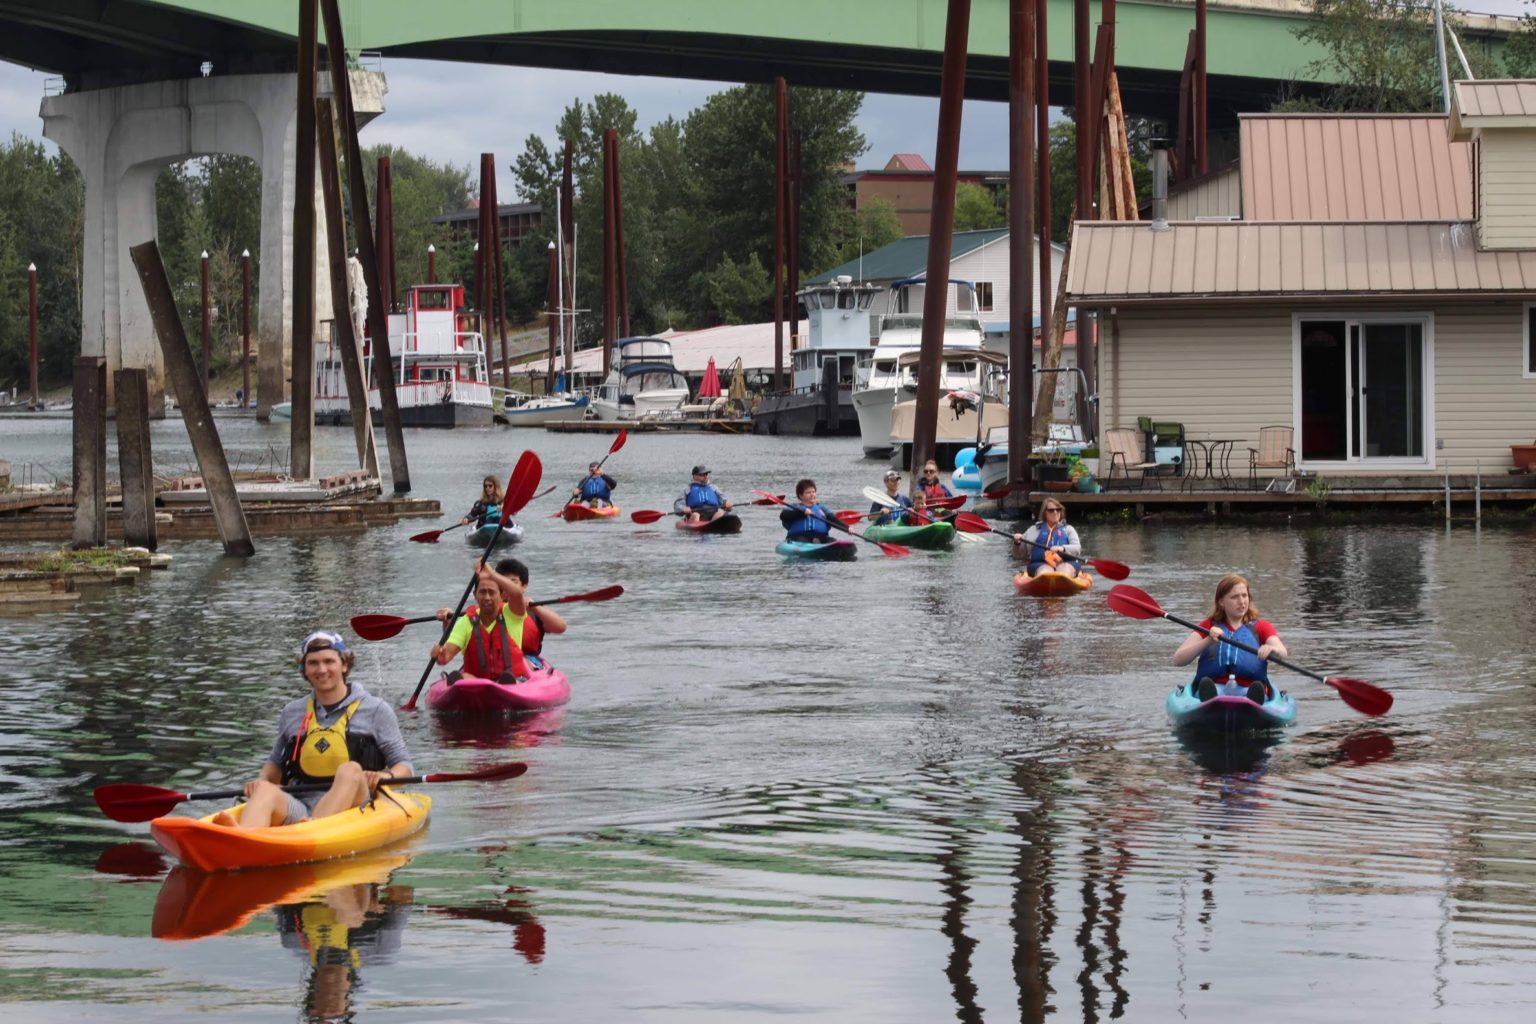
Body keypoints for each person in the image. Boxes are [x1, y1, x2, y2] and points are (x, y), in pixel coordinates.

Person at [214, 630, 412, 830]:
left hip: (356, 806)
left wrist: (385, 777)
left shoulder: (376, 709)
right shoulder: (292, 711)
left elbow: (404, 765)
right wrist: (261, 780)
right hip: (300, 804)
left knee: (350, 769)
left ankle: (312, 830)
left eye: (329, 661)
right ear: (305, 669)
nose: (322, 669)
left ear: (344, 665)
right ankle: (244, 837)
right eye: (313, 663)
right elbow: (275, 764)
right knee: (265, 789)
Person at [1172, 574, 1289, 704]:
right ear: (1221, 602)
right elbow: (1178, 659)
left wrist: (1272, 649)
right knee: (1211, 690)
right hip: (1215, 687)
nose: (1241, 601)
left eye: (1244, 596)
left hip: (1248, 688)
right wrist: (1208, 641)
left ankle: (1253, 702)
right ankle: (1211, 702)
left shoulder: (1261, 627)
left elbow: (1282, 652)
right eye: (1235, 597)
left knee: (1253, 691)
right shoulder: (1208, 626)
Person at [457, 557, 569, 666]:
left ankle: (513, 678)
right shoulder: (485, 610)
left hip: (526, 659)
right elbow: (459, 639)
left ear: (524, 586)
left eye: (512, 582)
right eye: (502, 582)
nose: (507, 587)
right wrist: (447, 620)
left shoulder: (532, 611)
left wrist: (535, 607)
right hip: (491, 659)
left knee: (521, 662)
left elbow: (560, 627)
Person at [431, 568, 534, 683]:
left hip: (514, 679)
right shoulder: (466, 621)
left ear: (501, 595)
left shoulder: (512, 614)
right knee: (463, 677)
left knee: (508, 679)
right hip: (477, 682)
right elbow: (447, 655)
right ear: (475, 595)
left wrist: (492, 573)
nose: (487, 597)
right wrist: (441, 656)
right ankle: (463, 684)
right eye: (482, 592)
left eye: (492, 592)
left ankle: (503, 684)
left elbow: (516, 594)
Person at [1012, 497, 1082, 577]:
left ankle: (1063, 581)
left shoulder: (1068, 529)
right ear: (1044, 513)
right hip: (1040, 564)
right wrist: (1017, 543)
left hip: (1067, 562)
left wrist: (1062, 548)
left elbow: (1077, 548)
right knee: (1045, 571)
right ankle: (1044, 581)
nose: (1055, 512)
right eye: (1051, 510)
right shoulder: (1033, 530)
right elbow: (1018, 555)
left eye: (1058, 509)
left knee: (1064, 570)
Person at [779, 478, 837, 544]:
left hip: (821, 537)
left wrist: (847, 528)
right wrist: (802, 513)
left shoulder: (822, 508)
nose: (812, 494)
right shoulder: (794, 507)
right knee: (803, 540)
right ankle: (814, 544)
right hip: (798, 537)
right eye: (808, 492)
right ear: (801, 496)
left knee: (832, 541)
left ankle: (818, 543)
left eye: (813, 492)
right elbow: (783, 515)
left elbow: (833, 519)